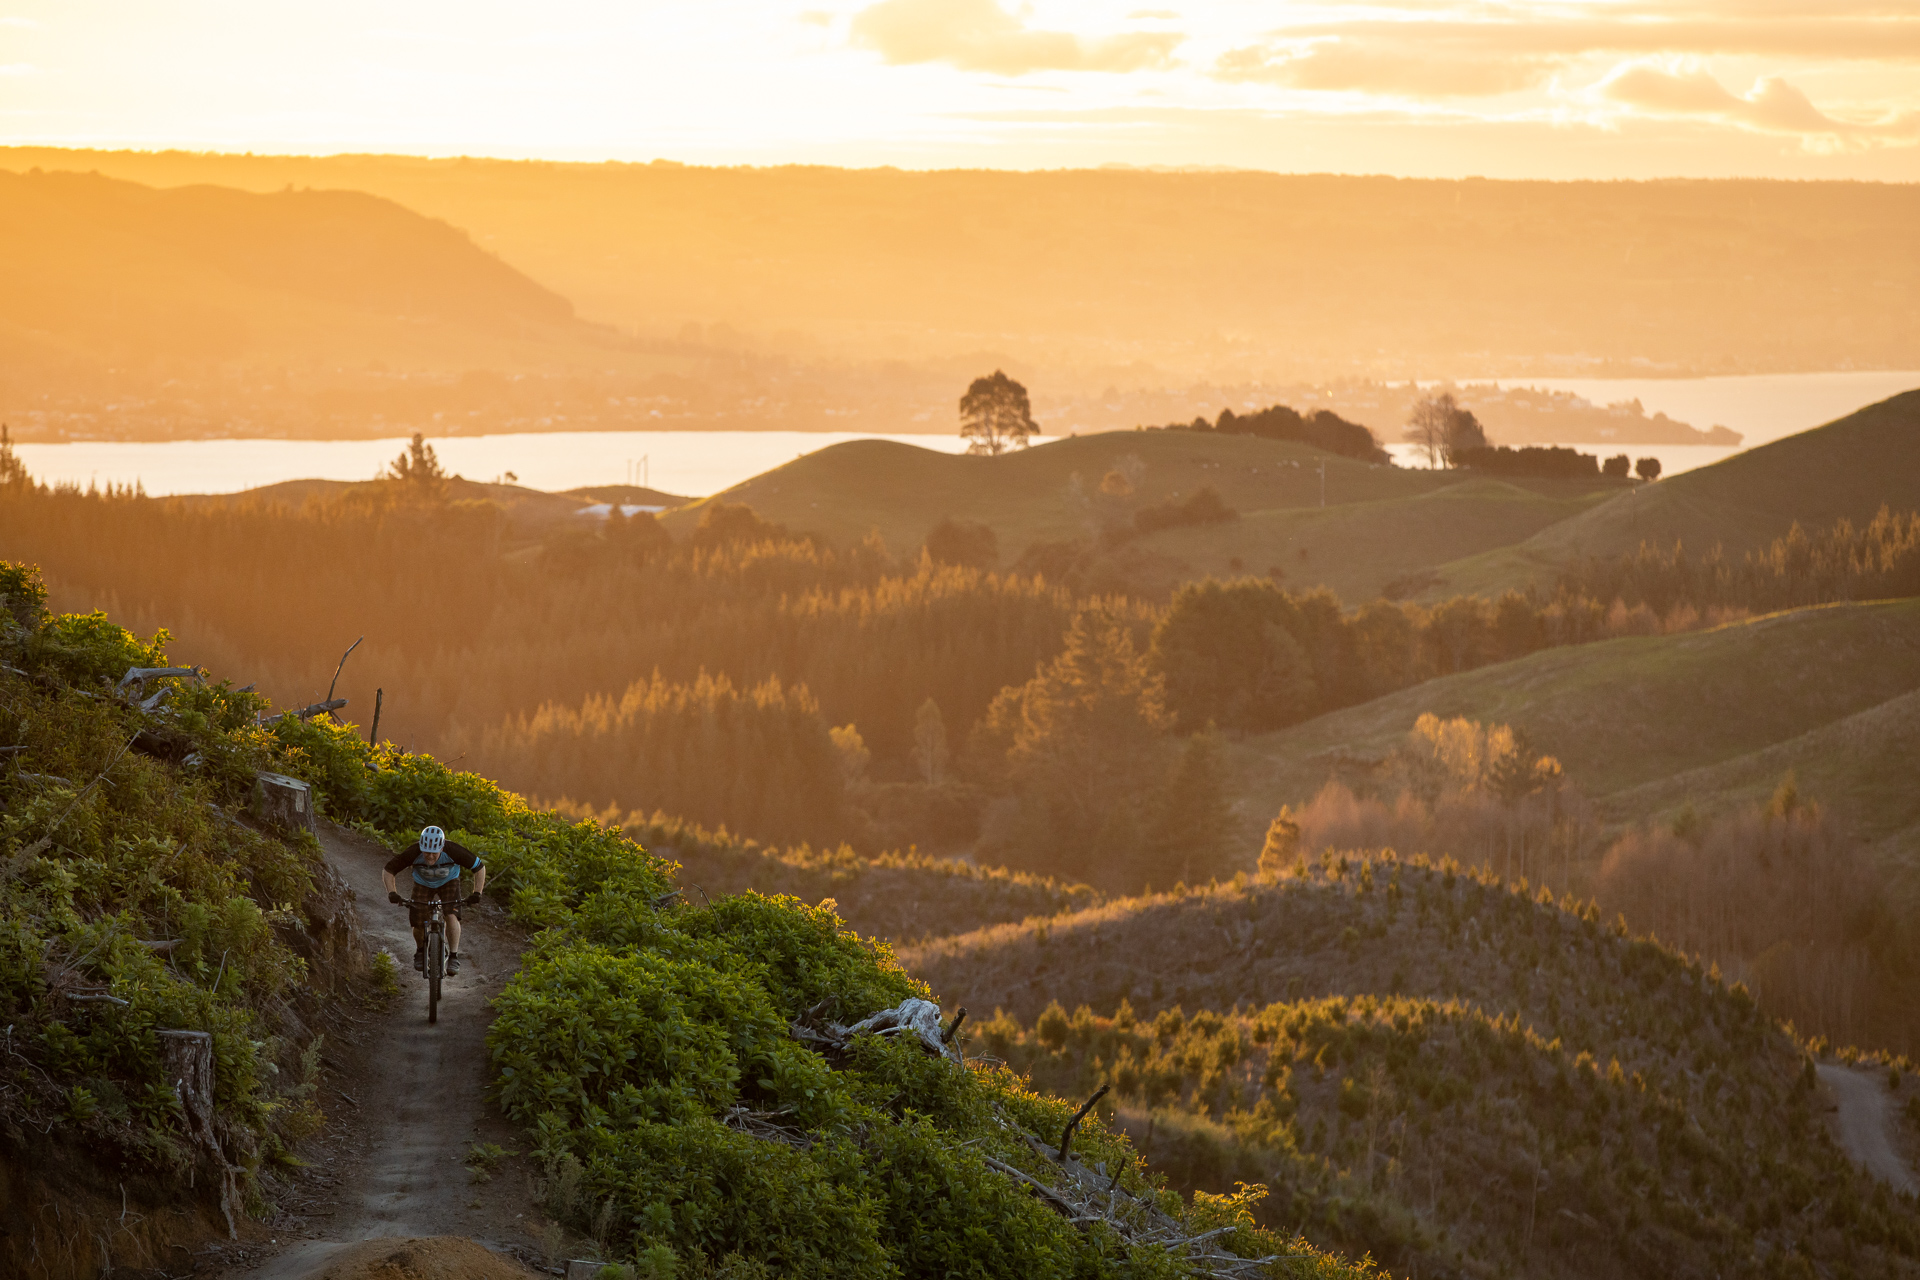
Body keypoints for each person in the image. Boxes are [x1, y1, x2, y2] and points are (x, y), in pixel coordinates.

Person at [383, 825, 486, 975]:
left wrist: (477, 893)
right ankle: (420, 951)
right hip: (423, 884)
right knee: (418, 920)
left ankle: (453, 956)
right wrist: (392, 892)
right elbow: (388, 870)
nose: (430, 856)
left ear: (442, 849)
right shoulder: (413, 852)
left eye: (434, 853)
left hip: (449, 882)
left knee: (451, 915)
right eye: (426, 853)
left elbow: (479, 867)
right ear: (421, 847)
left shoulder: (453, 850)